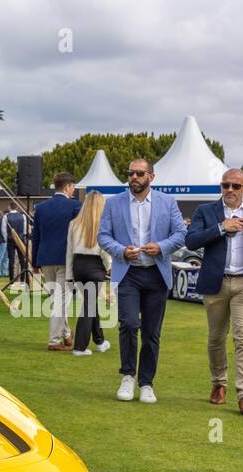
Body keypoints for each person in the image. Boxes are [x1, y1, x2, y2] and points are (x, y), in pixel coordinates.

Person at [97, 158, 187, 403]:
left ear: (151, 177)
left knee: (151, 332)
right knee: (127, 323)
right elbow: (103, 236)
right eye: (130, 173)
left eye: (139, 173)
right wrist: (120, 251)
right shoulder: (114, 203)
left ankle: (146, 383)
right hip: (128, 273)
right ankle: (127, 375)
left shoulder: (167, 203)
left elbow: (180, 234)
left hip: (157, 274)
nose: (134, 177)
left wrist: (161, 246)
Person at [182, 167, 243, 415]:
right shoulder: (206, 212)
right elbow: (191, 241)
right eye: (225, 185)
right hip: (215, 283)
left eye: (235, 186)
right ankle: (219, 383)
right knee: (216, 337)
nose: (229, 190)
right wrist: (221, 227)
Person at [31, 172, 82, 351]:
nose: (73, 191)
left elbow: (35, 236)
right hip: (66, 260)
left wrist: (34, 262)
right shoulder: (76, 206)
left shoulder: (41, 207)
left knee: (57, 300)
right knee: (61, 301)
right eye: (73, 187)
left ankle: (67, 334)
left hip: (45, 258)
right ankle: (54, 340)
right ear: (68, 187)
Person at [65, 190, 112, 356]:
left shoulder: (74, 224)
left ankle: (100, 341)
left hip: (79, 265)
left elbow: (69, 251)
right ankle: (80, 347)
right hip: (95, 265)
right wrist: (109, 266)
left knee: (90, 303)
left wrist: (69, 275)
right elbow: (105, 251)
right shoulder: (103, 225)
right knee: (88, 306)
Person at [5, 202, 28, 284]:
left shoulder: (6, 216)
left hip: (10, 239)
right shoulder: (23, 216)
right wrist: (23, 236)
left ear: (9, 207)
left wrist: (6, 238)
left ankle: (11, 279)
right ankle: (22, 279)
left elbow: (3, 230)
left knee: (11, 260)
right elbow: (25, 229)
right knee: (22, 260)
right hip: (21, 238)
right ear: (17, 207)